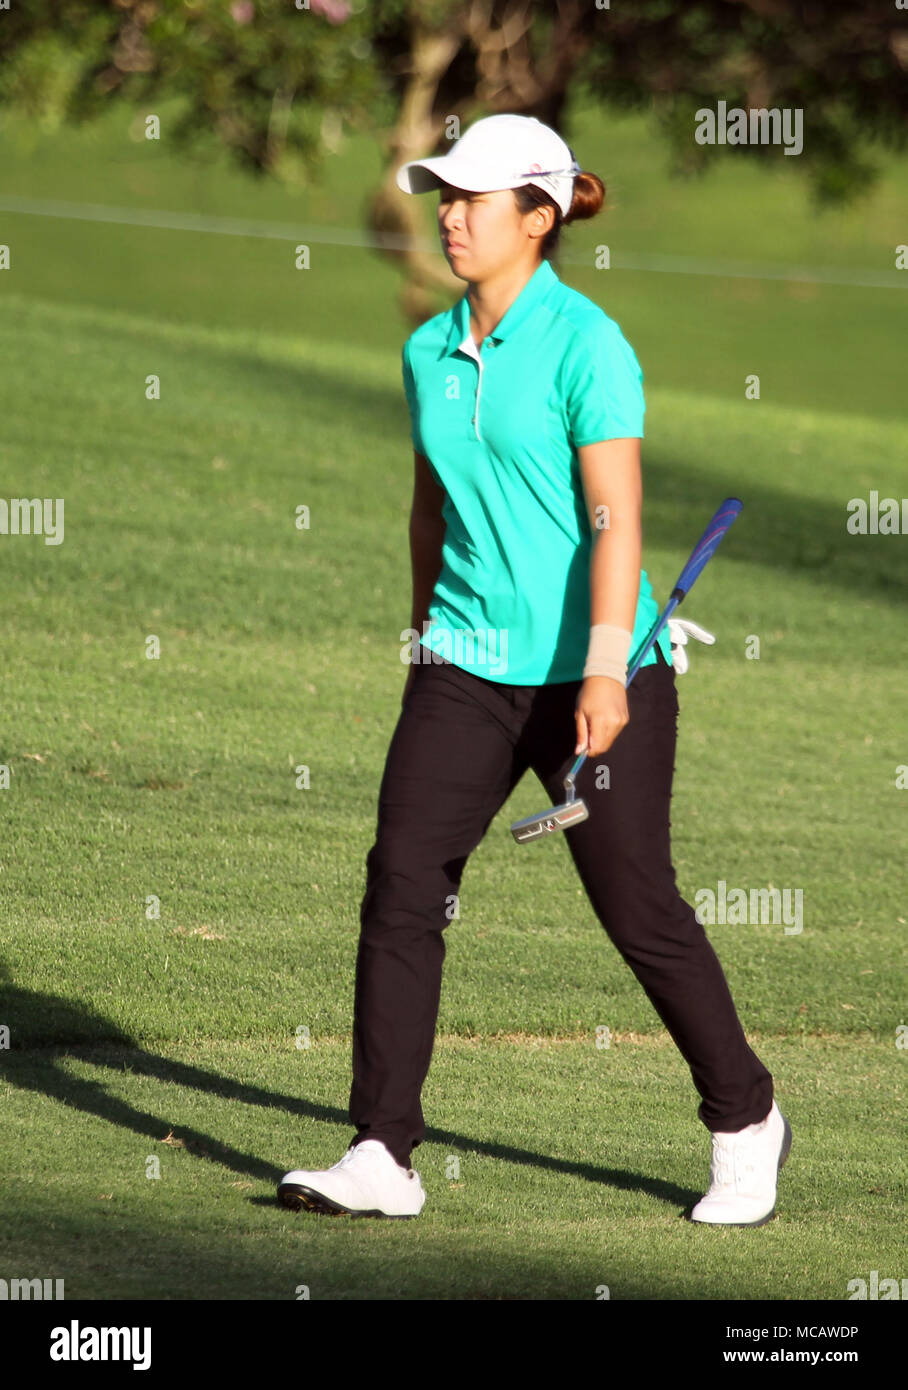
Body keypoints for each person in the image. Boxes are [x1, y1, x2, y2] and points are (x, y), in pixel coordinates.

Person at [278, 114, 791, 1227]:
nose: (449, 215)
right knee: (404, 878)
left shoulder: (585, 343)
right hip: (464, 664)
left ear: (540, 214)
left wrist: (606, 672)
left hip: (593, 671)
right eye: (443, 196)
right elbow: (431, 506)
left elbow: (615, 524)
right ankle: (381, 1150)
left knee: (633, 901)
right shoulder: (426, 348)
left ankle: (743, 1117)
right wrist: (423, 634)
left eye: (472, 197)